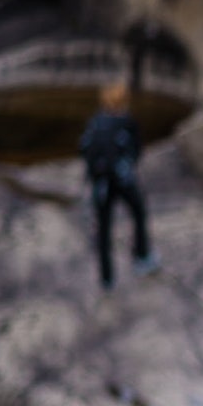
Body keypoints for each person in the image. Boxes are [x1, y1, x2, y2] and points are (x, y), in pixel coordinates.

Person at [79, 82, 158, 290]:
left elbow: (85, 149)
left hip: (102, 184)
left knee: (104, 229)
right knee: (138, 213)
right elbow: (136, 149)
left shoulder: (95, 122)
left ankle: (107, 278)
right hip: (122, 181)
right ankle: (141, 257)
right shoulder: (125, 122)